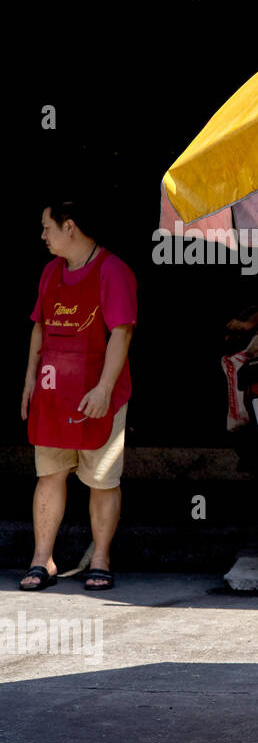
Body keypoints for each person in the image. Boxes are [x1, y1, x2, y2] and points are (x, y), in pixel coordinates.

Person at [19, 200, 137, 591]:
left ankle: (100, 558)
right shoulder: (50, 272)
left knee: (102, 479)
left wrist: (104, 388)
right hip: (52, 395)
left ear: (69, 226)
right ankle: (42, 560)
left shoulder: (113, 271)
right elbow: (40, 329)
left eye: (46, 227)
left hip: (98, 395)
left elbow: (122, 332)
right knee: (48, 474)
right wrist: (29, 383)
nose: (42, 236)